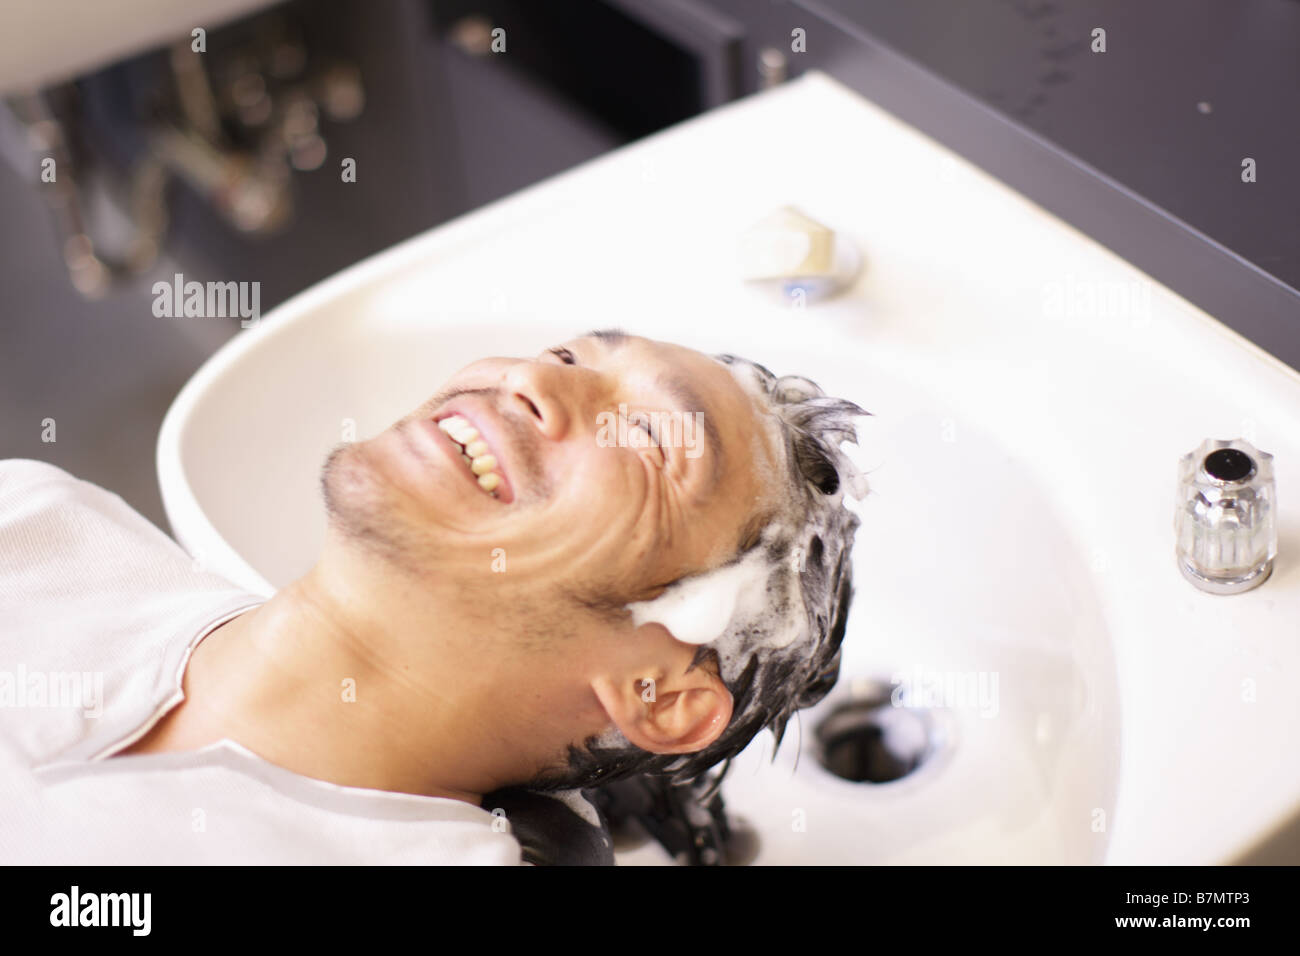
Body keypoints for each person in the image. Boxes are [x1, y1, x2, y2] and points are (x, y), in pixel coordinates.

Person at [0, 330, 868, 864]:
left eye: (647, 435)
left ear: (661, 694)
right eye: (567, 354)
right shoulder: (41, 521)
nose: (534, 379)